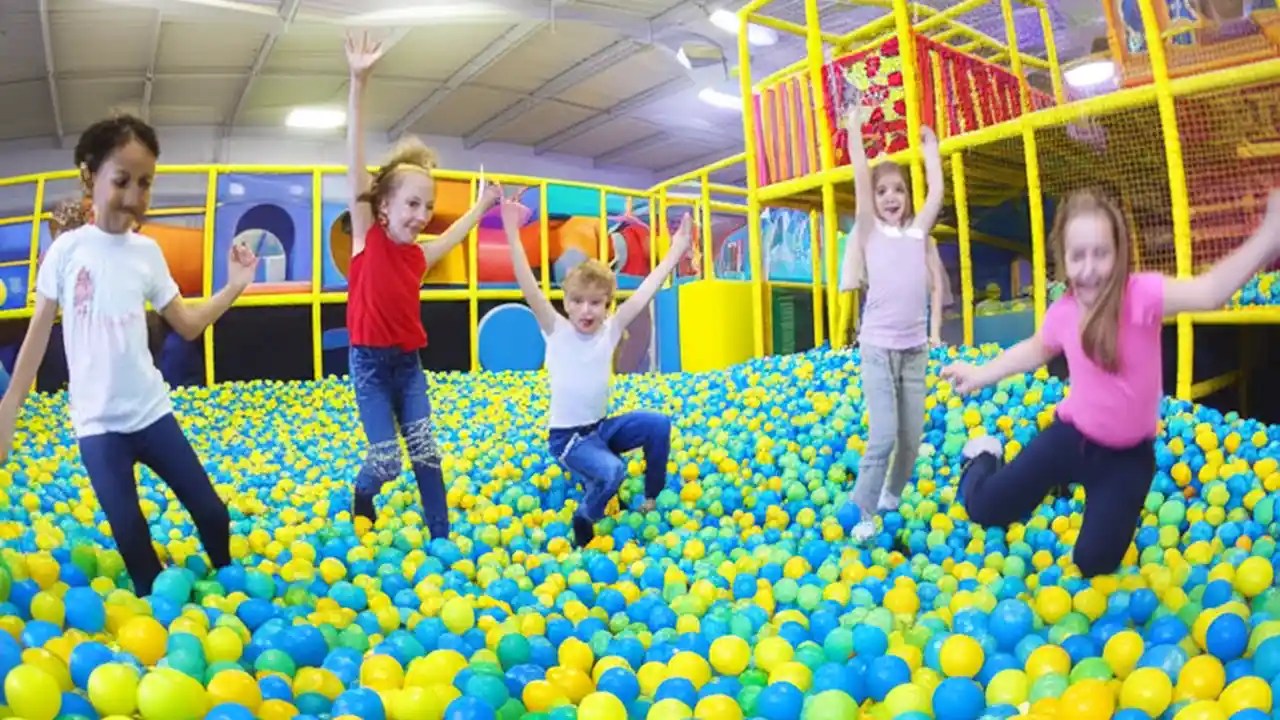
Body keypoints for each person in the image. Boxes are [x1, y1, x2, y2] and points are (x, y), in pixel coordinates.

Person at [943, 188, 1280, 577]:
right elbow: (1034, 350)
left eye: (1100, 253)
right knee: (986, 510)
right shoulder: (1064, 312)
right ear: (1063, 261)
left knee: (1093, 564)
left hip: (1127, 459)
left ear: (1119, 253)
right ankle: (981, 455)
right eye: (1078, 255)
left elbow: (1209, 293)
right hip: (1069, 440)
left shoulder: (1142, 295)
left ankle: (1081, 501)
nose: (1089, 269)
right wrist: (980, 374)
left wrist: (1268, 239)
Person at [0, 114, 259, 597]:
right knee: (135, 547)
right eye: (122, 180)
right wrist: (9, 407)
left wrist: (234, 287)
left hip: (151, 412)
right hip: (98, 426)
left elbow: (186, 323)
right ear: (88, 176)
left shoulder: (147, 253)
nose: (136, 196)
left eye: (145, 183)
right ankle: (159, 619)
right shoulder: (66, 251)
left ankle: (228, 584)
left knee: (211, 513)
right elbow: (38, 333)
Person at [343, 32, 502, 532]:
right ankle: (362, 490)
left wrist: (481, 205)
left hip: (407, 367)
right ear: (384, 206)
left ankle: (441, 532)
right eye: (413, 204)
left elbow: (453, 237)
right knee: (387, 459)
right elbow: (354, 164)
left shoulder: (416, 258)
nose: (423, 214)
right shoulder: (368, 237)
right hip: (368, 365)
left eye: (428, 206)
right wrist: (358, 80)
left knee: (425, 451)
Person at [502, 194, 690, 547]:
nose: (586, 310)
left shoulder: (612, 329)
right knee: (613, 471)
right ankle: (585, 516)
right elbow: (526, 282)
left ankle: (651, 497)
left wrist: (676, 250)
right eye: (577, 301)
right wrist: (512, 230)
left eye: (596, 302)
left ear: (608, 304)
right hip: (567, 439)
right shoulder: (556, 330)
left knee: (658, 424)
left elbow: (647, 290)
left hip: (601, 429)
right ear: (565, 302)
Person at [840, 95, 947, 542]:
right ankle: (860, 507)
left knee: (911, 438)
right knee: (883, 435)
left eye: (898, 190)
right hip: (878, 348)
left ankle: (891, 496)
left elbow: (937, 193)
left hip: (914, 351)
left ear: (907, 197)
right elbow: (861, 178)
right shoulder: (869, 231)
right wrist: (854, 130)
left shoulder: (918, 232)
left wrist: (930, 153)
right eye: (883, 192)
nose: (889, 198)